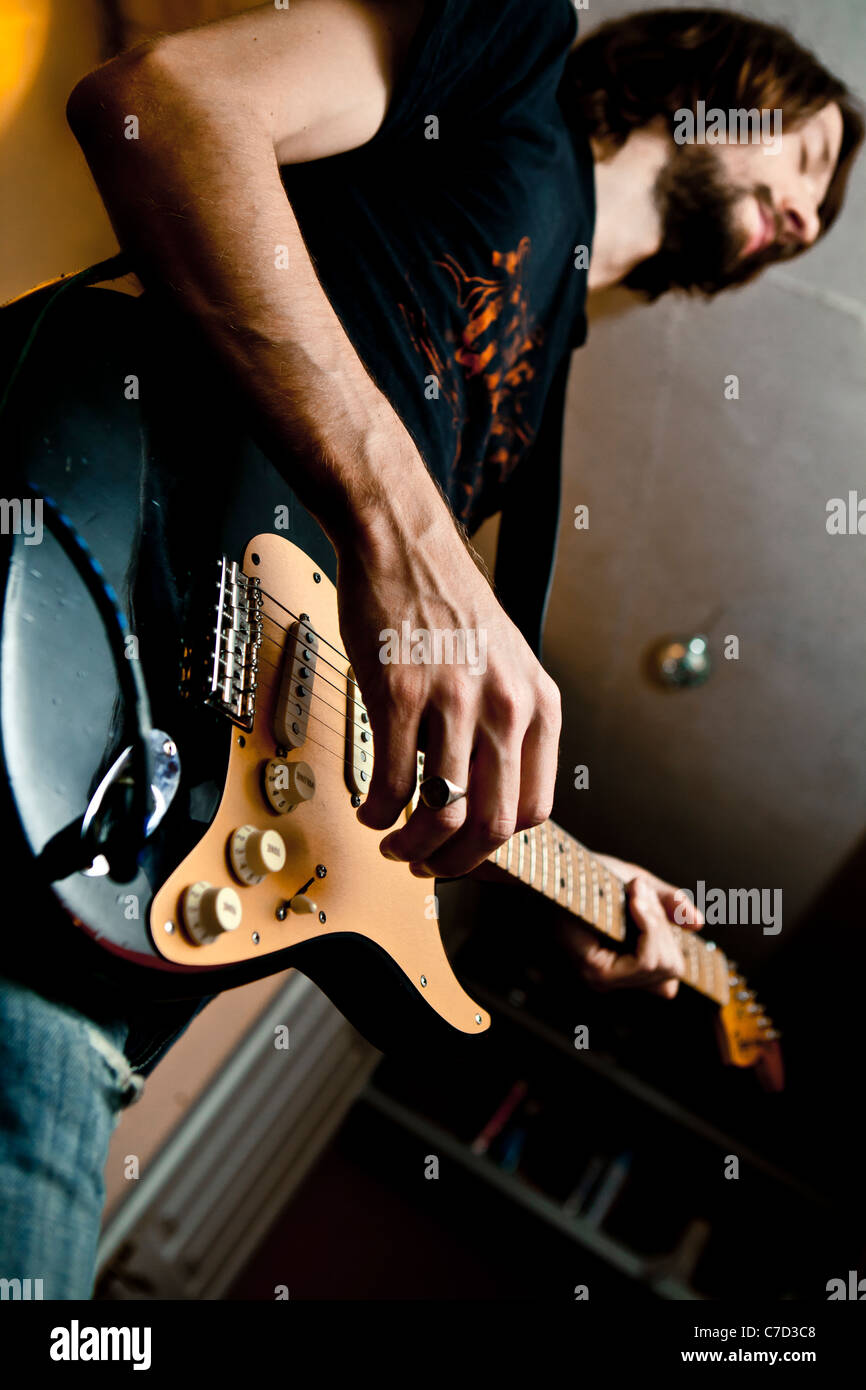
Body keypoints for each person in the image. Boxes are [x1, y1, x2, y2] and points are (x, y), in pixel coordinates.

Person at [0, 0, 860, 1298]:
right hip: (70, 595)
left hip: (113, 915)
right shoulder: (511, 52)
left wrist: (547, 871)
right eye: (807, 161)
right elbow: (164, 107)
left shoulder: (544, 396)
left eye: (818, 222)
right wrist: (408, 534)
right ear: (714, 79)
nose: (801, 219)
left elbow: (339, 678)